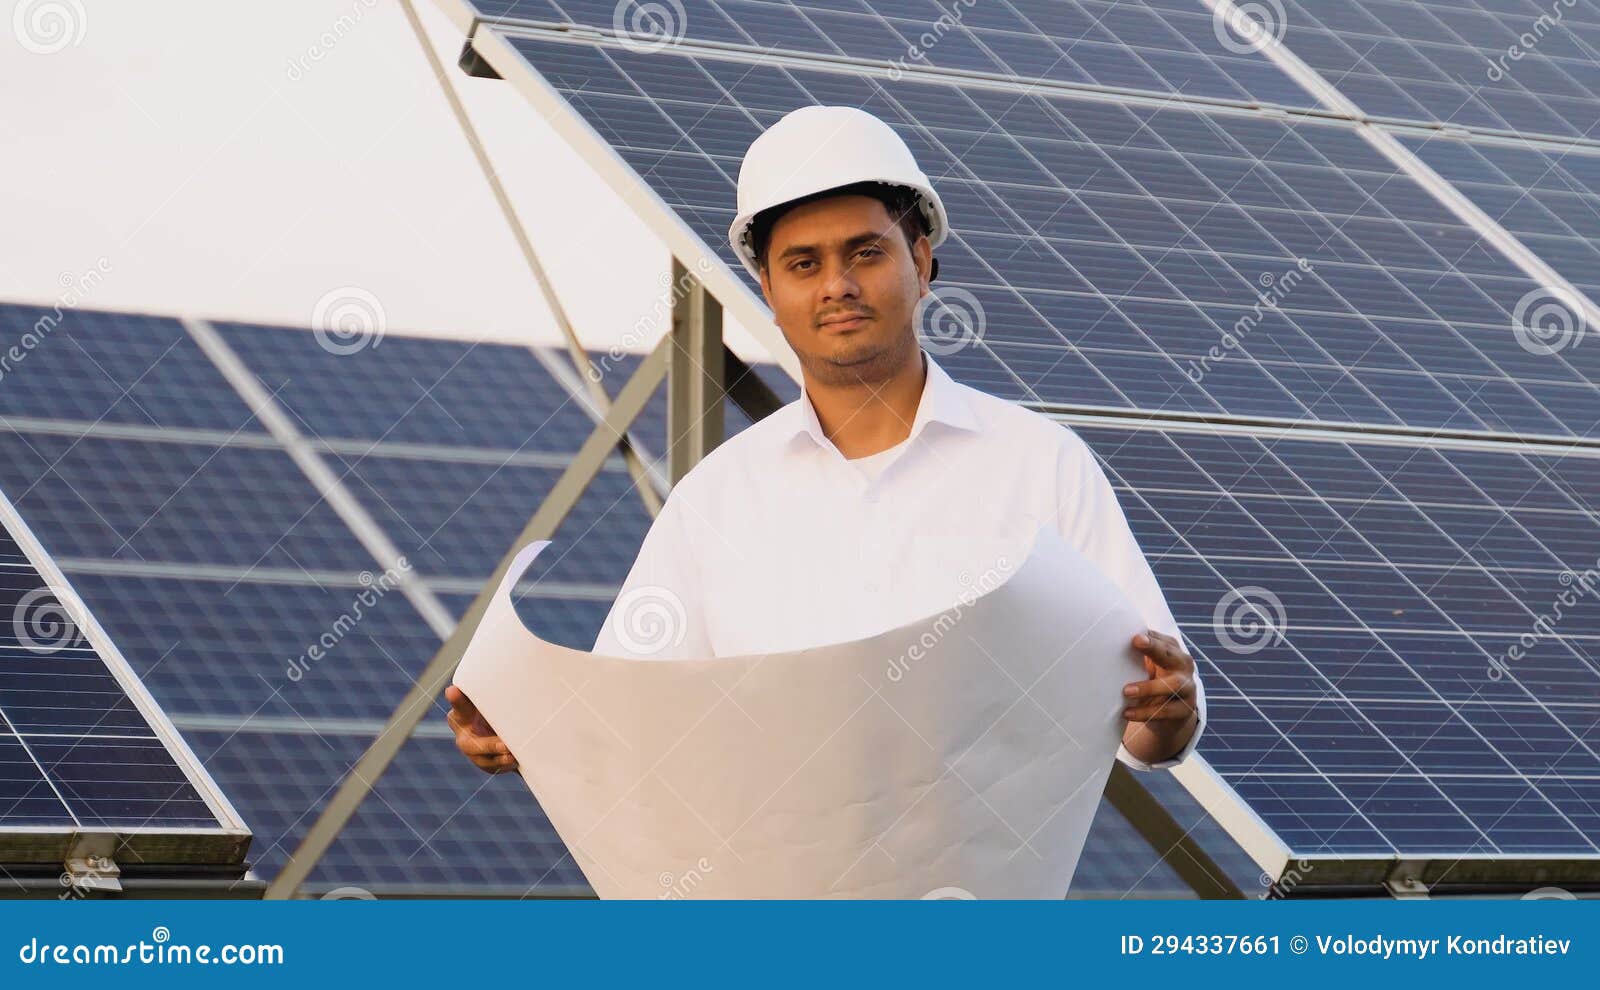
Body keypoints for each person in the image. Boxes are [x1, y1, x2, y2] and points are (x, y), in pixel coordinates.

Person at [449, 104, 1203, 782]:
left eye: (865, 253)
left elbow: (1148, 715)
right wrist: (529, 734)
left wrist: (1169, 720)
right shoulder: (716, 499)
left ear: (923, 264)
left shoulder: (1041, 464)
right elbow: (626, 713)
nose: (836, 284)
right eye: (803, 265)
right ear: (771, 296)